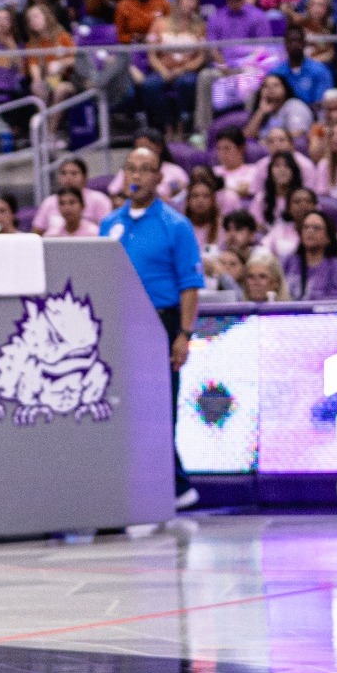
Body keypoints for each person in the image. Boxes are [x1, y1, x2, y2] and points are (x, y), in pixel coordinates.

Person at [99, 146, 204, 510]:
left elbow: (190, 285)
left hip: (160, 321)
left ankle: (172, 485)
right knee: (124, 408)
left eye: (145, 169)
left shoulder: (175, 225)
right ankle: (161, 485)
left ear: (158, 178)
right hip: (120, 323)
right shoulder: (109, 224)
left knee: (160, 408)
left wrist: (183, 335)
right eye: (131, 168)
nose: (137, 175)